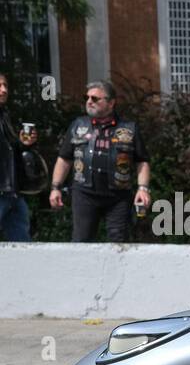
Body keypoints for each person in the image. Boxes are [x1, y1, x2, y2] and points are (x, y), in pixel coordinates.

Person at [49, 81, 151, 241]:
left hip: (118, 196)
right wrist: (55, 187)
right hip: (84, 194)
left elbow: (142, 161)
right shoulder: (78, 125)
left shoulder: (129, 128)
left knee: (119, 244)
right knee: (81, 242)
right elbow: (64, 159)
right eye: (87, 97)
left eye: (95, 98)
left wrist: (143, 189)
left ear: (111, 103)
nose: (89, 101)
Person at [0, 72, 39, 242]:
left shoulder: (4, 116)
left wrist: (24, 144)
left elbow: (9, 153)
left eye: (5, 86)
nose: (3, 90)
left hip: (12, 192)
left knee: (22, 249)